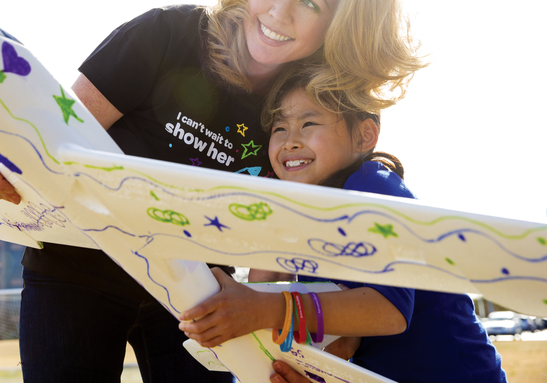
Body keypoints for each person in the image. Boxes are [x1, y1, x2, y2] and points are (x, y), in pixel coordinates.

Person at [0, 0, 423, 382]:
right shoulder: (167, 35)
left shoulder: (307, 109)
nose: (279, 11)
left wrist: (286, 360)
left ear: (338, 24)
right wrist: (9, 153)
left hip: (196, 300)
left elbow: (278, 245)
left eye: (311, 3)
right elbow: (58, 131)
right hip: (77, 269)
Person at [178, 75, 507, 383]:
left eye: (308, 123)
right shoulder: (307, 214)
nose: (290, 141)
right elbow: (340, 339)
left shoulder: (372, 186)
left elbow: (389, 310)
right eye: (279, 128)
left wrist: (264, 309)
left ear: (364, 136)